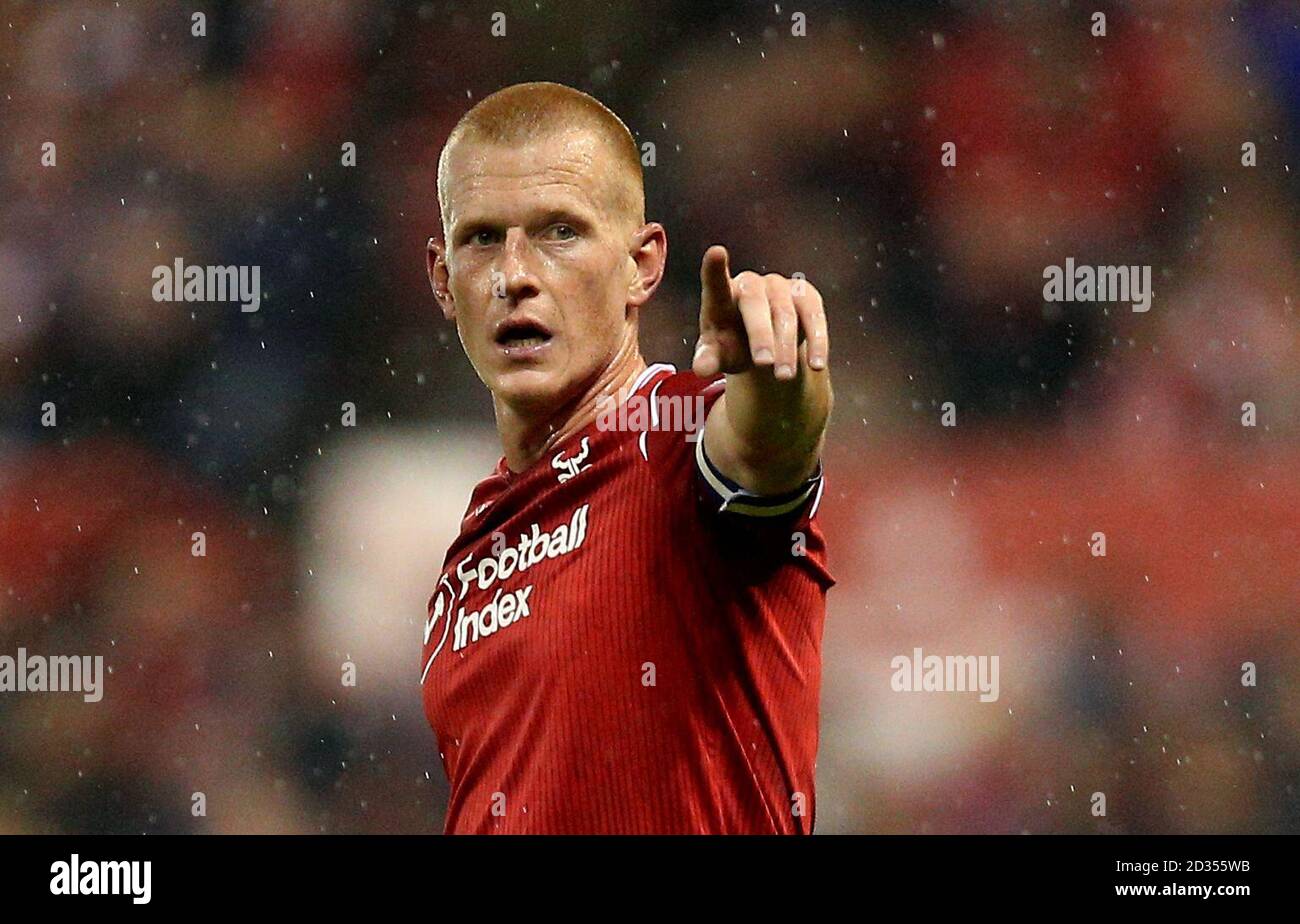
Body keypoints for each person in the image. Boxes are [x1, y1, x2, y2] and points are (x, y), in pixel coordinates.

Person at [422, 81, 834, 833]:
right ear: (444, 282)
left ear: (643, 265)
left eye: (559, 233)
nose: (515, 275)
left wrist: (781, 376)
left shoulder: (679, 438)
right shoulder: (469, 555)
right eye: (482, 238)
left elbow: (767, 444)